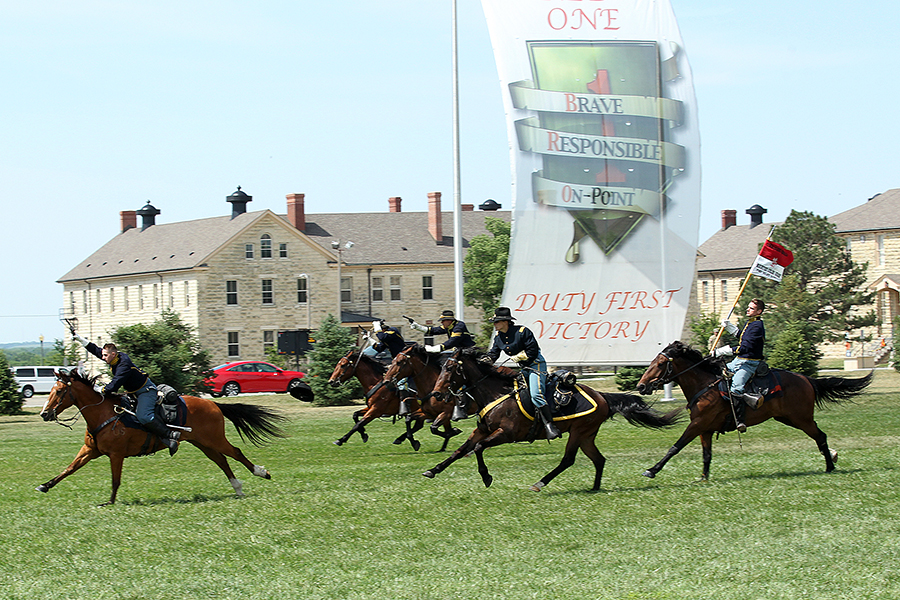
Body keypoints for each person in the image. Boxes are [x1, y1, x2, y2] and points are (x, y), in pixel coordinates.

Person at [73, 332, 180, 454]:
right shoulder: (113, 358)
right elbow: (96, 350)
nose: (102, 357)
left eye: (105, 356)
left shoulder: (124, 365)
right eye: (103, 355)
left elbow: (114, 385)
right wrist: (80, 340)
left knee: (144, 416)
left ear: (113, 354)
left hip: (145, 391)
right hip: (132, 392)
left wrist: (100, 389)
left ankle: (170, 435)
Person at [483, 307, 560, 440]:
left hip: (536, 365)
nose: (494, 325)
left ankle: (550, 425)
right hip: (523, 369)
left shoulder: (522, 332)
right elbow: (493, 354)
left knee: (536, 395)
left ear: (505, 322)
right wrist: (483, 361)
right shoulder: (499, 337)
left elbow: (532, 351)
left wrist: (518, 357)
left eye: (496, 322)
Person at [712, 298, 766, 433]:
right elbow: (743, 336)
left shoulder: (757, 326)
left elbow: (744, 348)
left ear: (759, 311)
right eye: (748, 307)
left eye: (751, 308)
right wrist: (730, 327)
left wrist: (722, 351)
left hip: (749, 363)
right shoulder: (751, 323)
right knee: (719, 373)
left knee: (736, 388)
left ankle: (740, 420)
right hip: (738, 360)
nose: (748, 309)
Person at [363, 320, 414, 415]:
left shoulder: (392, 331)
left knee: (402, 382)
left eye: (376, 330)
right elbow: (379, 348)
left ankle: (406, 405)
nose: (376, 333)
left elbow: (382, 337)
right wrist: (369, 339)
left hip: (404, 361)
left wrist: (377, 326)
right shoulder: (387, 338)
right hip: (397, 362)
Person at [409, 310, 475, 353]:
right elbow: (434, 330)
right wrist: (418, 327)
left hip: (468, 351)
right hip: (458, 351)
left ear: (449, 320)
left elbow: (452, 341)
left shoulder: (459, 326)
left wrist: (435, 349)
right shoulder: (449, 326)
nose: (441, 322)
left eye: (443, 320)